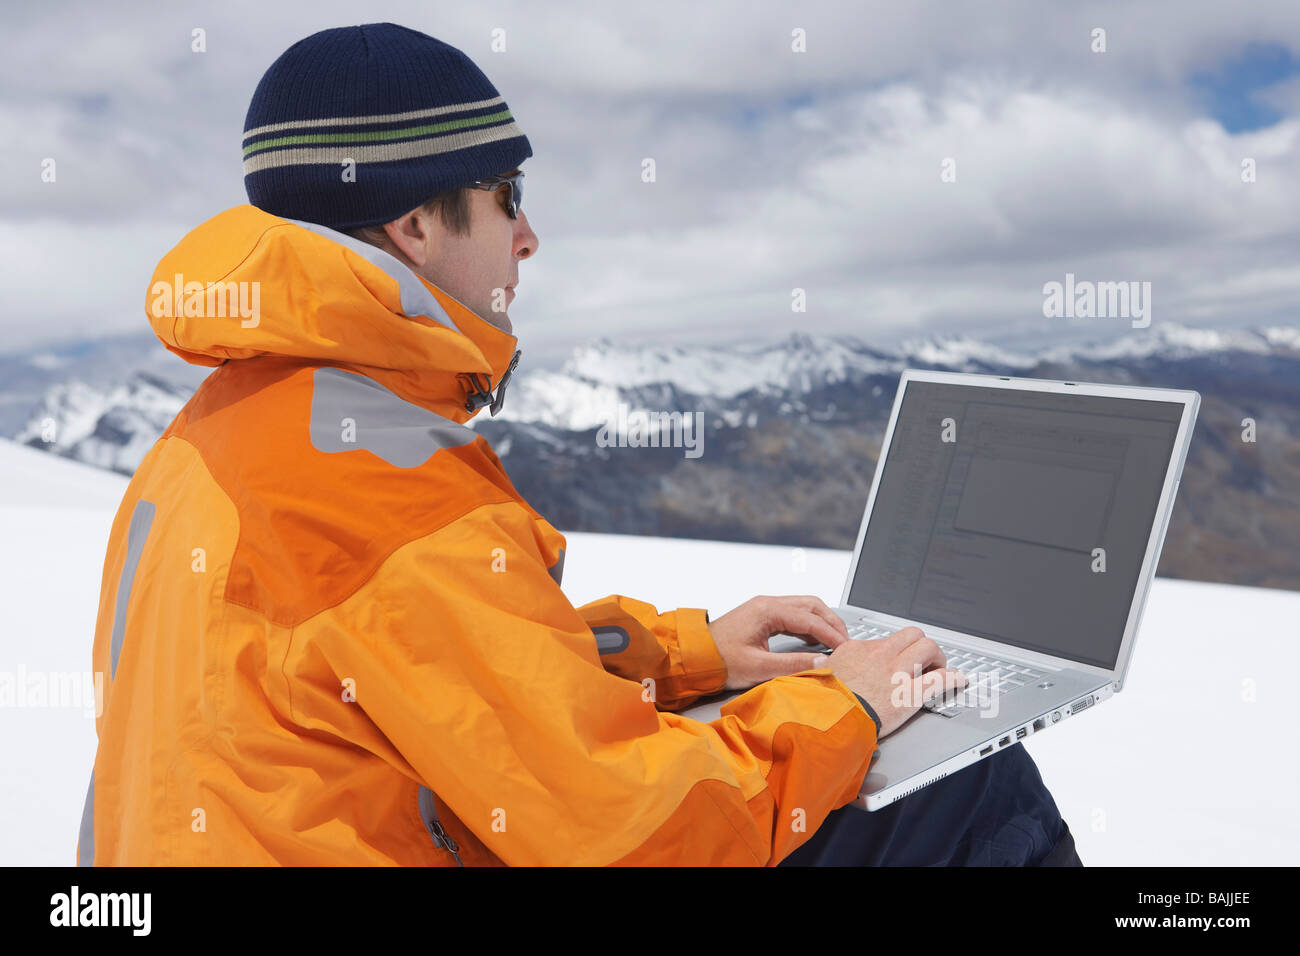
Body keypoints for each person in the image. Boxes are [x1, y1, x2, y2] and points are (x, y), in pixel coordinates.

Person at [76, 23, 1078, 866]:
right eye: (506, 194)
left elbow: (436, 674)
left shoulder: (217, 434)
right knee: (967, 789)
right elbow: (635, 836)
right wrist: (848, 708)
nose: (528, 236)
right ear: (417, 223)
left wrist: (687, 656)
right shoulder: (376, 490)